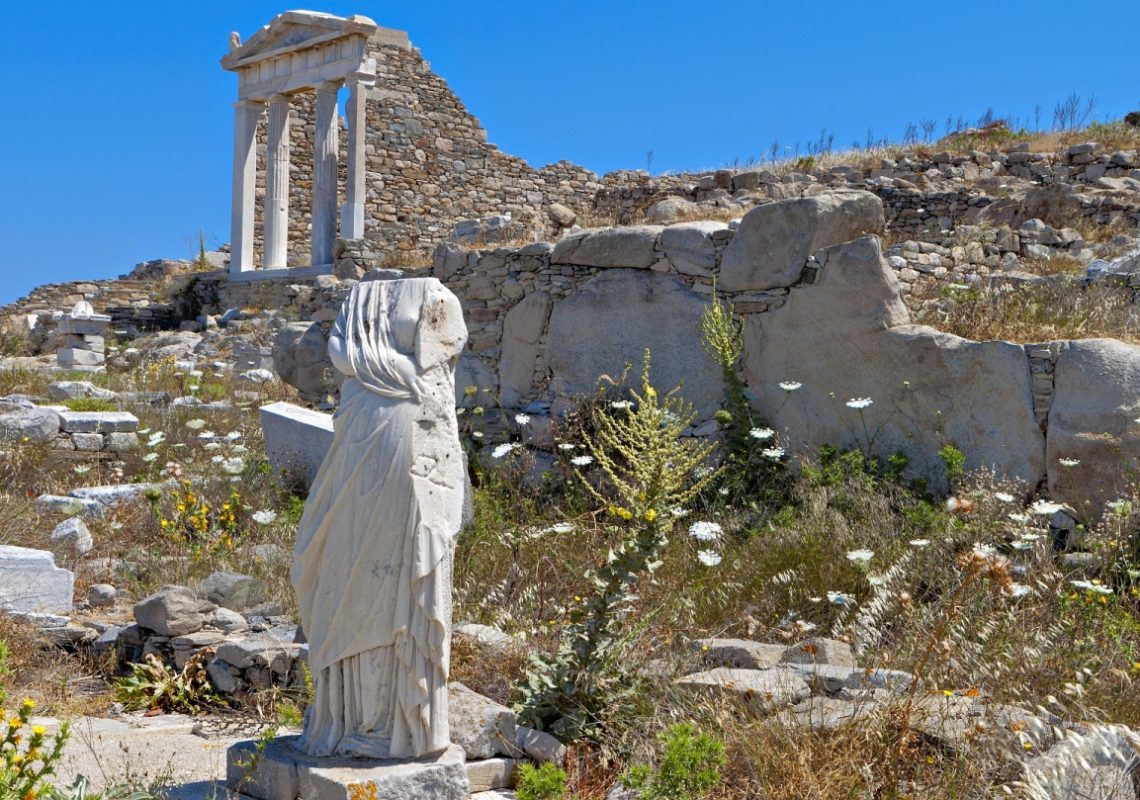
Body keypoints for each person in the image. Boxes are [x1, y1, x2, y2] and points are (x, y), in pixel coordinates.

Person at [292, 275, 467, 759]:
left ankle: (397, 726)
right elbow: (342, 352)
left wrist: (375, 365)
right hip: (360, 433)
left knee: (400, 572)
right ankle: (348, 718)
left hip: (409, 437)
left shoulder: (436, 296)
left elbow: (433, 368)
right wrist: (394, 369)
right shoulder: (357, 298)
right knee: (337, 568)